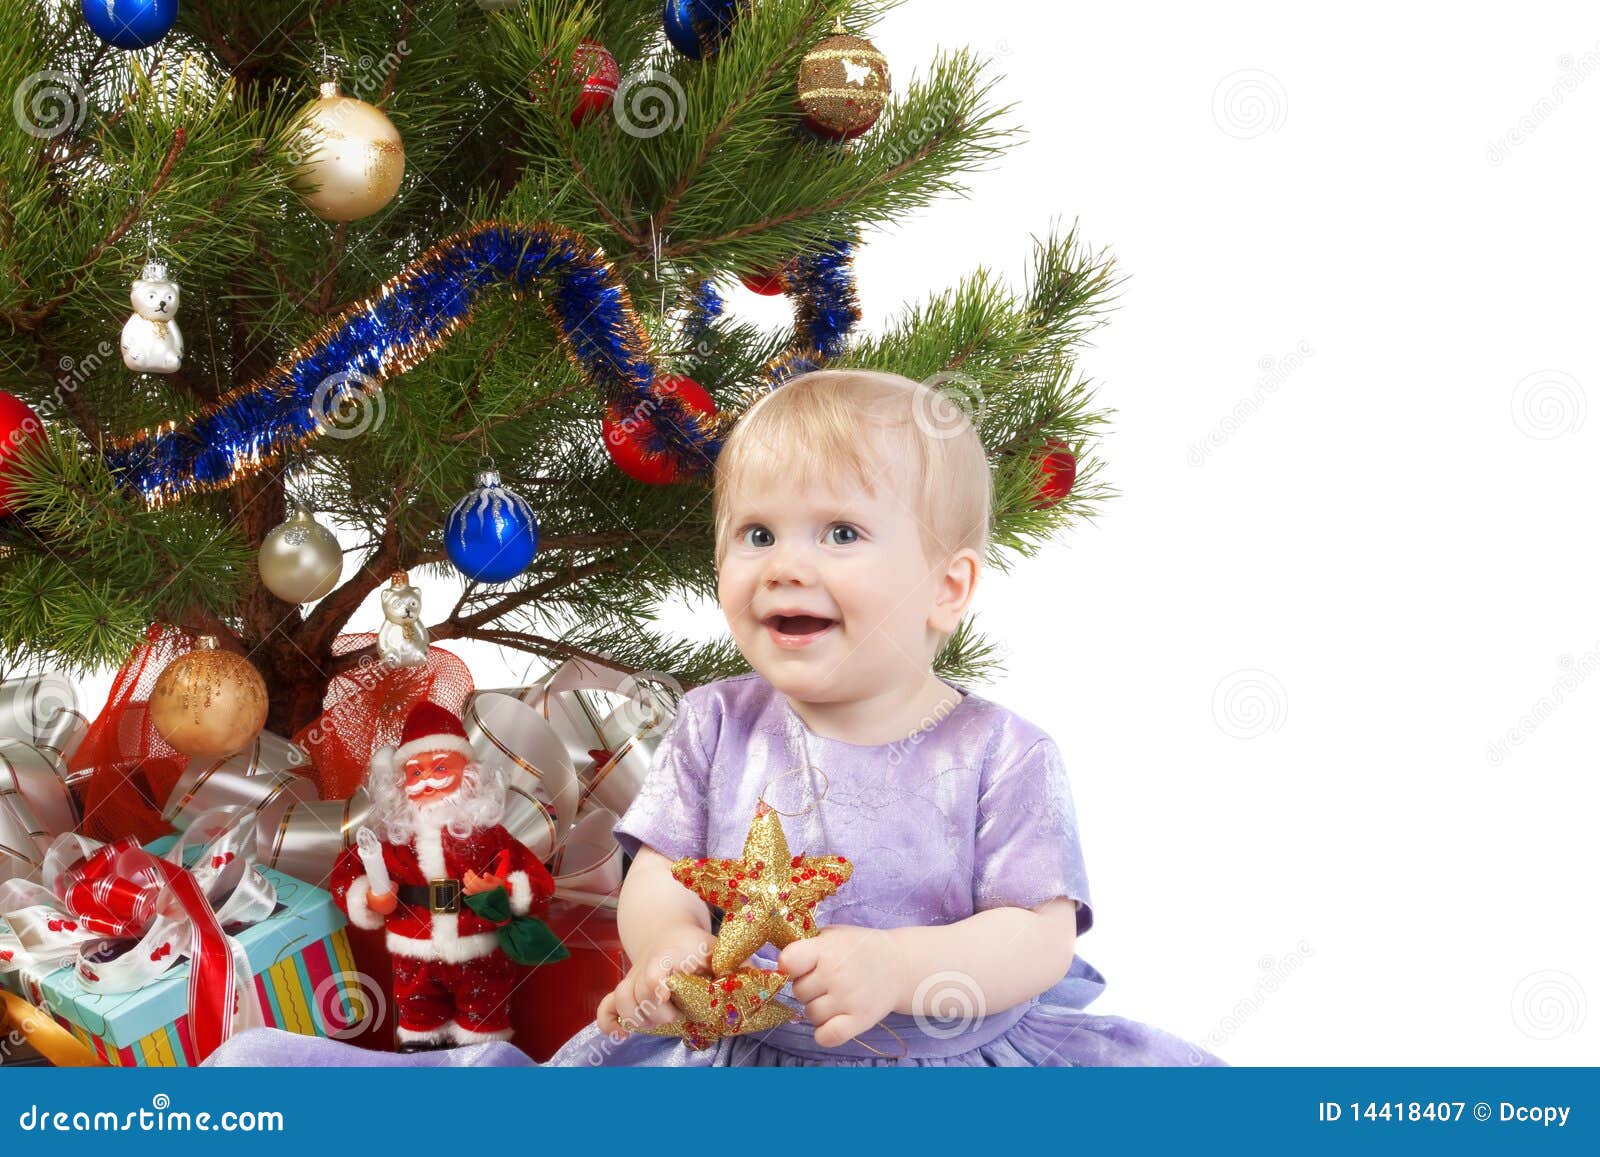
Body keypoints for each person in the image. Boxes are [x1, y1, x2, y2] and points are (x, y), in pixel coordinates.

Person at [546, 369, 1226, 1066]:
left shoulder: (1002, 752)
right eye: (756, 532)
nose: (783, 565)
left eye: (840, 532)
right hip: (746, 1047)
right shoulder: (713, 721)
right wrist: (667, 940)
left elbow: (1039, 935)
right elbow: (661, 870)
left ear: (945, 585)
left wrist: (899, 967)